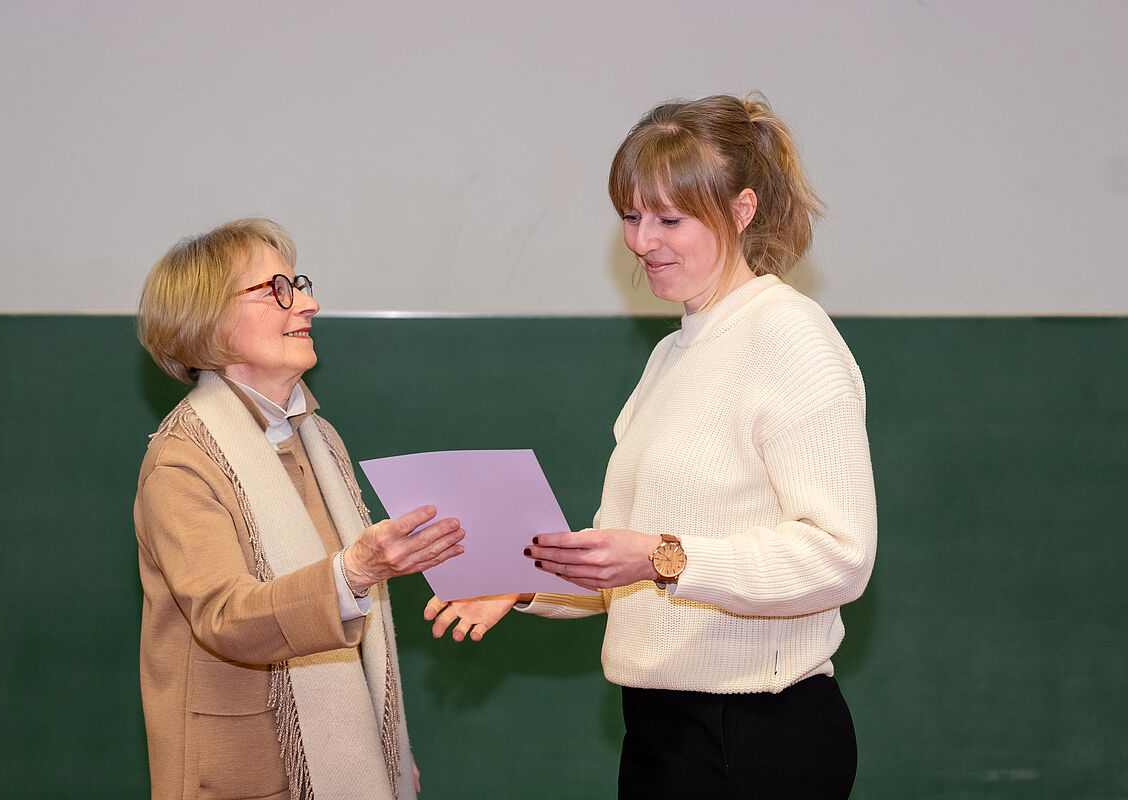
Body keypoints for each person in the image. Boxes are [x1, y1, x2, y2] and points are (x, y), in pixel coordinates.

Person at [425, 94, 877, 798]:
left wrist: (663, 556)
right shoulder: (671, 355)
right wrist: (522, 582)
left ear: (742, 210)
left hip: (756, 734)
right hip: (662, 731)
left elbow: (838, 558)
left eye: (670, 218)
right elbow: (621, 563)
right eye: (631, 216)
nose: (642, 240)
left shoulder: (789, 334)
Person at [135, 217, 464, 800]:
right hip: (241, 777)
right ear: (208, 317)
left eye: (300, 284)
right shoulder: (182, 459)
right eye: (277, 290)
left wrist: (385, 759)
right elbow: (225, 616)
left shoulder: (317, 435)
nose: (308, 303)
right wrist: (355, 571)